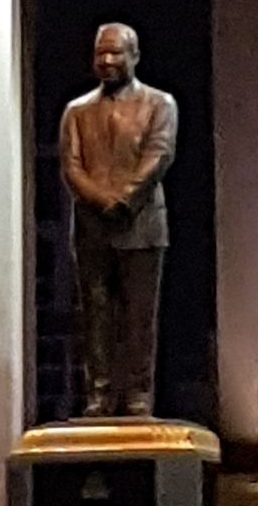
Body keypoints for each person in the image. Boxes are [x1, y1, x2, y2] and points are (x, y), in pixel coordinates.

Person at [59, 23, 179, 418]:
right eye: (100, 54)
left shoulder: (159, 104)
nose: (107, 61)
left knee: (139, 317)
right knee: (95, 316)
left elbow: (159, 155)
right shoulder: (77, 111)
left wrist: (125, 199)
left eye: (115, 53)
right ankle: (99, 393)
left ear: (135, 56)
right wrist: (101, 200)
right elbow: (71, 166)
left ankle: (138, 394)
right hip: (93, 227)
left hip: (142, 226)